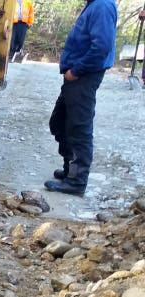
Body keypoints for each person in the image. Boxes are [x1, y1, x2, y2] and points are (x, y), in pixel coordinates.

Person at [45, 0, 117, 196]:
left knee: (79, 127)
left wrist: (76, 70)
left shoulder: (102, 5)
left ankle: (76, 181)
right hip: (77, 76)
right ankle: (70, 169)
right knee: (60, 122)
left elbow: (102, 46)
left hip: (84, 76)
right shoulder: (94, 5)